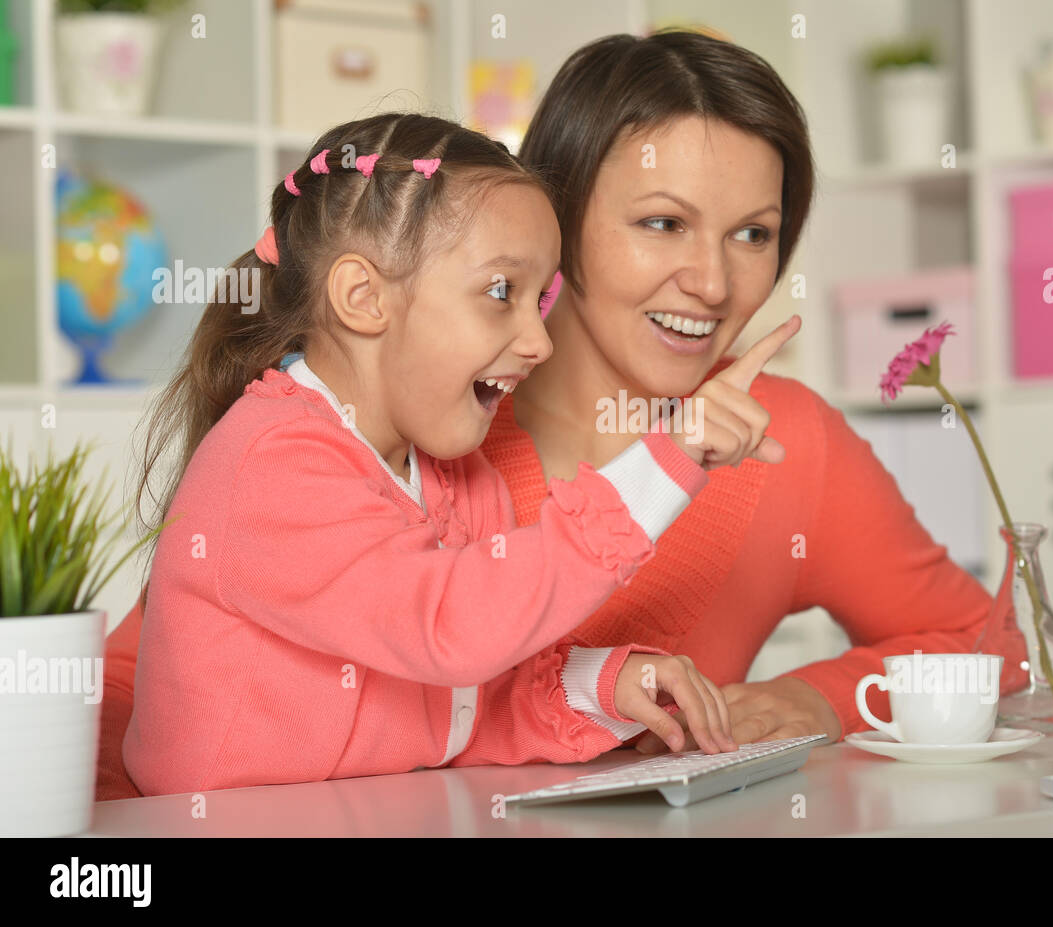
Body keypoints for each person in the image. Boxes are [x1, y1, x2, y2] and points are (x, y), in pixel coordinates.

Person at [98, 30, 997, 800]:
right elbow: (144, 685)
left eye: (753, 234)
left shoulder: (780, 436)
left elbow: (998, 646)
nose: (716, 283)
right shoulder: (421, 424)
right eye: (661, 223)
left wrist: (813, 700)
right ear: (554, 221)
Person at [120, 111, 798, 796]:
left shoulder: (459, 481)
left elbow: (469, 701)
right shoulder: (273, 464)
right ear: (363, 297)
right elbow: (449, 627)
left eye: (542, 299)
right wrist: (666, 459)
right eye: (501, 293)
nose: (539, 340)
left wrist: (603, 684)